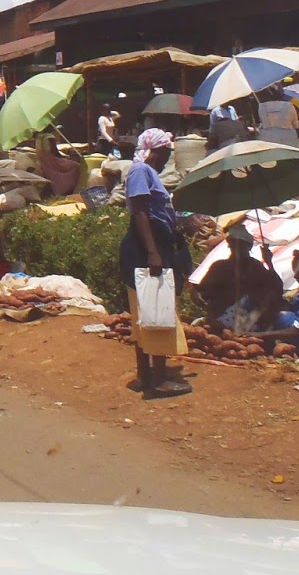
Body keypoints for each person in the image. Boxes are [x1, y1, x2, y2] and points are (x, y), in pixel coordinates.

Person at [117, 127, 193, 399]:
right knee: (157, 309)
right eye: (164, 154)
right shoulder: (141, 171)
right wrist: (153, 253)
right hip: (145, 247)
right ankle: (158, 379)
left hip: (152, 245)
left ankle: (145, 375)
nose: (166, 160)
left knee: (145, 311)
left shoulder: (147, 173)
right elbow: (139, 210)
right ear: (153, 151)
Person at [194, 222, 284, 333]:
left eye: (241, 247)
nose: (238, 251)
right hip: (218, 321)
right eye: (235, 246)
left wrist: (269, 262)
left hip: (247, 324)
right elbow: (201, 291)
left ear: (247, 248)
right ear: (230, 246)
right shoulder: (220, 267)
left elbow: (277, 288)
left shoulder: (255, 267)